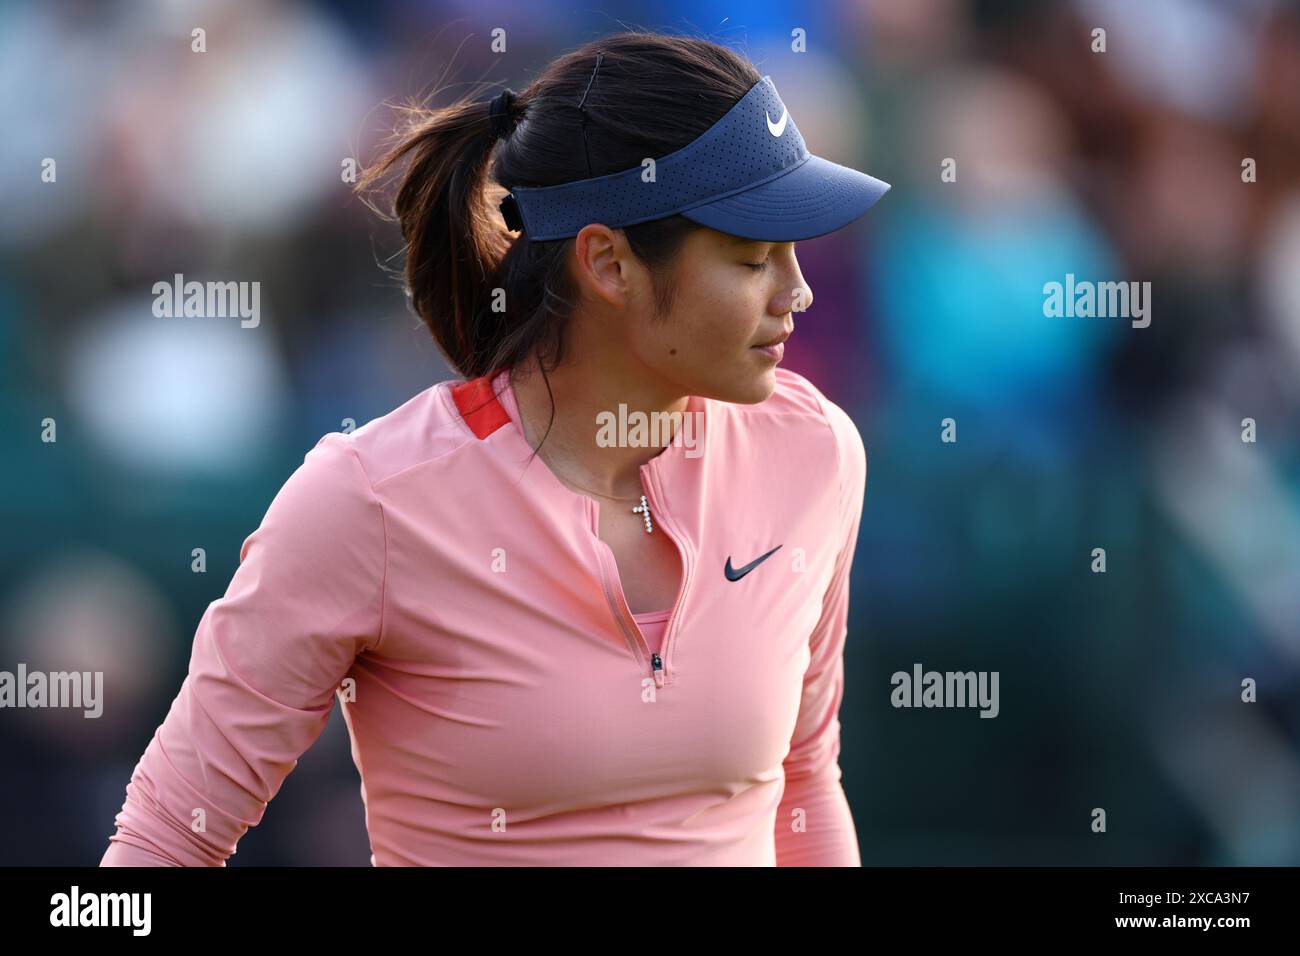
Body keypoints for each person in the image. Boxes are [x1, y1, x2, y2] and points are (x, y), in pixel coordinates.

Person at [100, 30, 889, 867]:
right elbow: (165, 840)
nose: (798, 292)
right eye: (752, 259)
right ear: (608, 264)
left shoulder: (816, 453)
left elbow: (804, 783)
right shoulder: (367, 501)